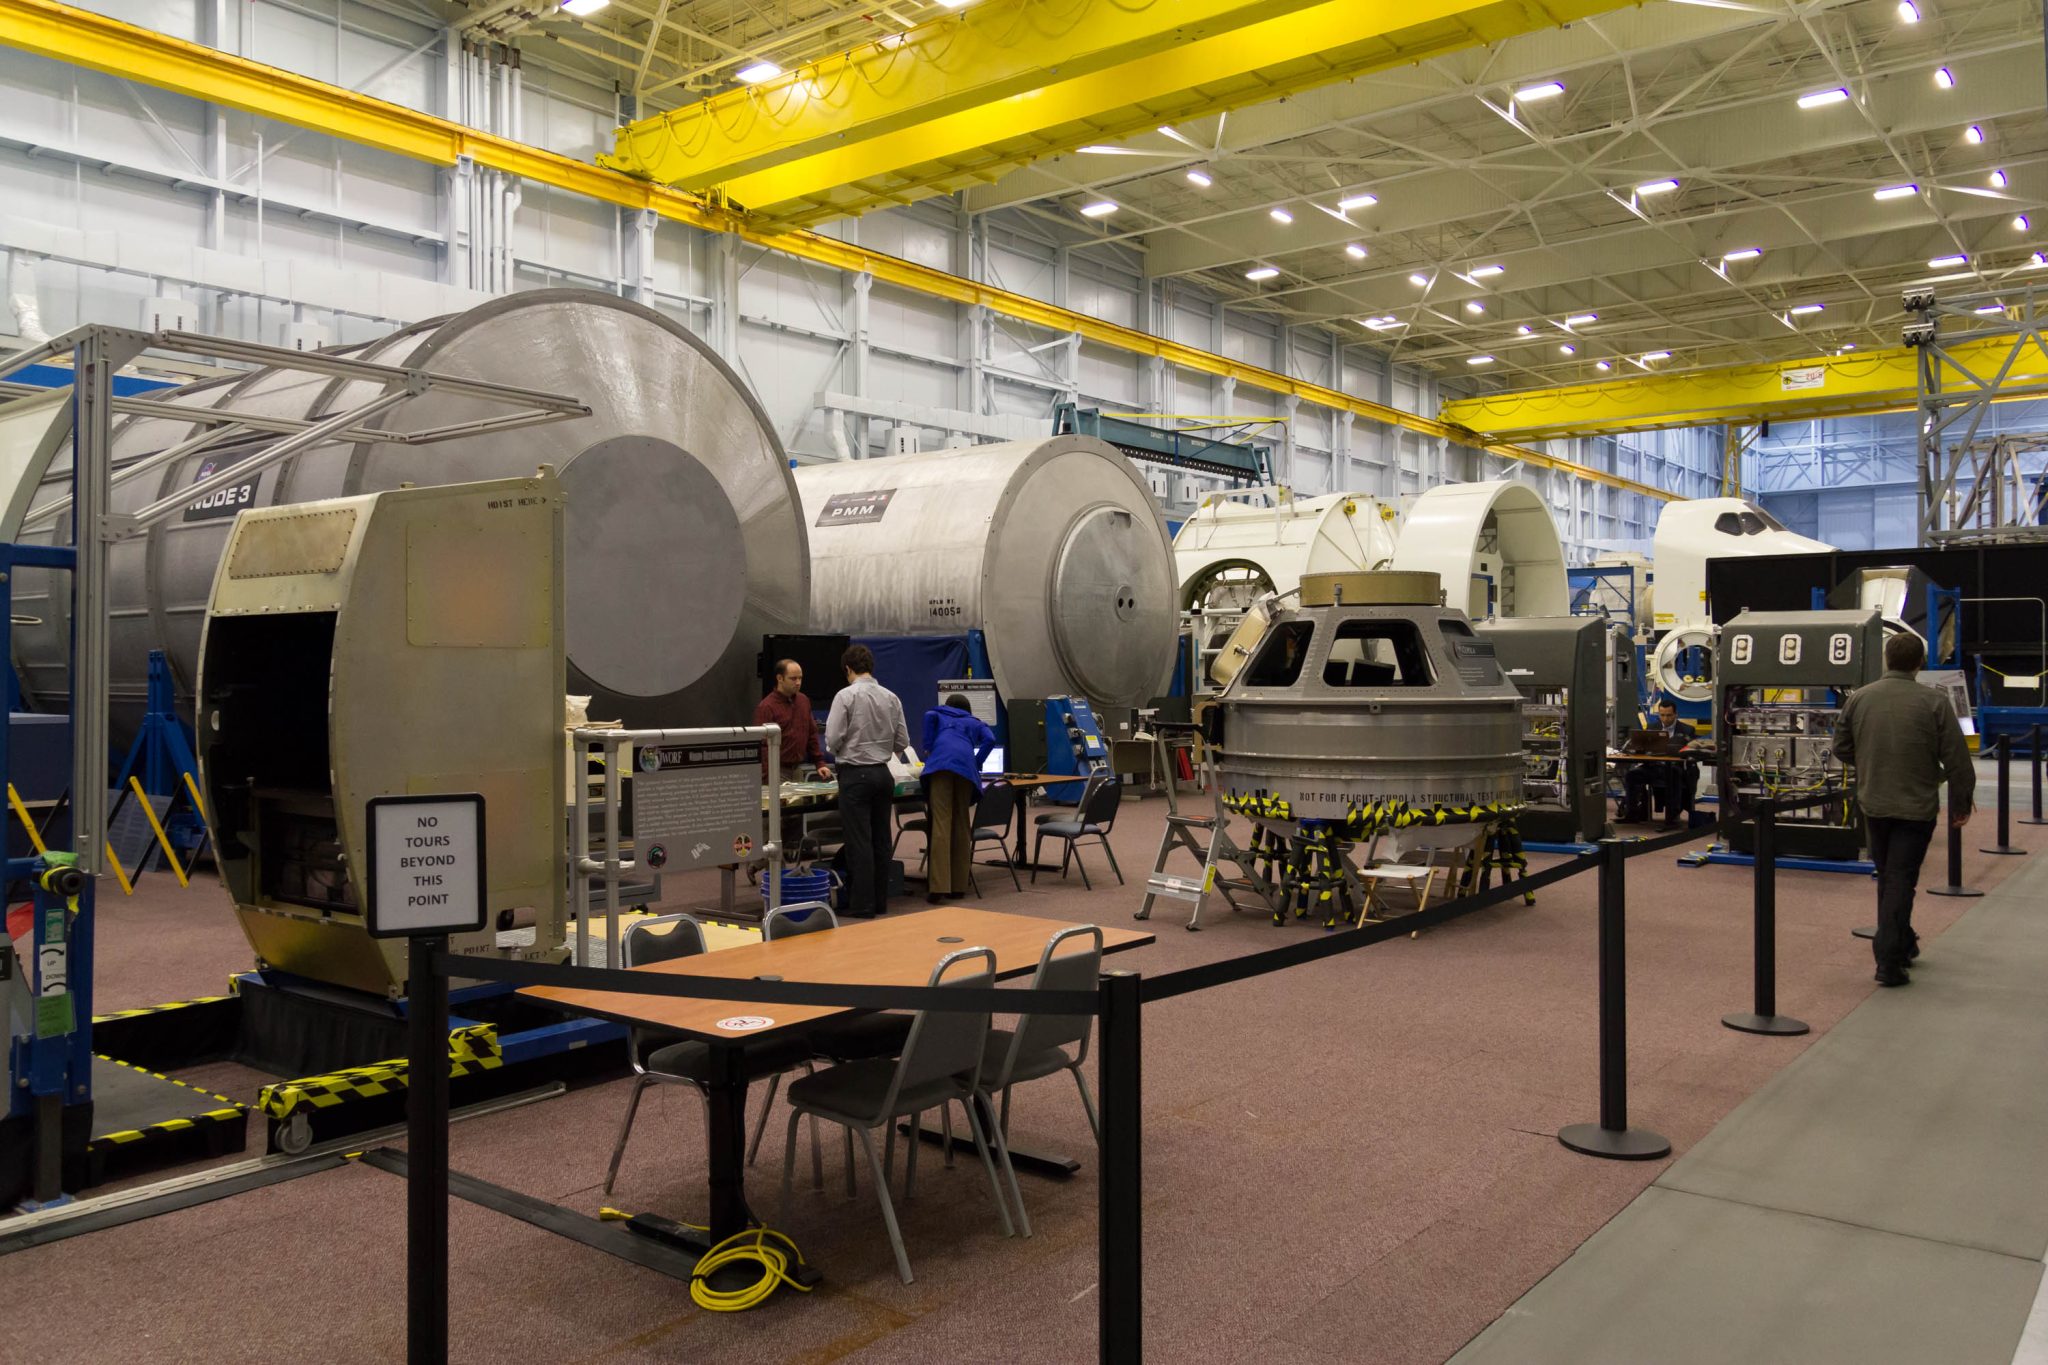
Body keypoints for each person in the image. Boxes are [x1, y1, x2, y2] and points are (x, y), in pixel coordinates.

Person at [1833, 631, 1974, 987]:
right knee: (1900, 878)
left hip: (1874, 803)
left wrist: (1867, 765)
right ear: (1919, 664)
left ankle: (1903, 941)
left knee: (1889, 876)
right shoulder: (1935, 702)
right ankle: (1889, 961)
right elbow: (1957, 759)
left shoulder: (1859, 699)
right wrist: (1960, 802)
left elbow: (1840, 747)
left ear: (1887, 659)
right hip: (1916, 806)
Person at [824, 644, 911, 918]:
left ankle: (862, 905)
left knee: (859, 841)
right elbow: (903, 741)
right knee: (881, 839)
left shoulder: (845, 696)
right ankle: (880, 901)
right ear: (871, 667)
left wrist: (843, 750)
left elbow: (832, 739)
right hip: (883, 775)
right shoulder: (891, 697)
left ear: (848, 669)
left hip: (855, 774)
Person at [919, 693, 997, 904]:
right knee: (962, 824)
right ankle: (959, 886)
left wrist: (928, 746)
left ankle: (938, 887)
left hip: (941, 767)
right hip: (966, 769)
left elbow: (928, 717)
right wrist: (978, 762)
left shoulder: (937, 713)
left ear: (948, 706)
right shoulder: (974, 722)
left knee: (941, 824)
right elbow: (990, 739)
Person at [1620, 696, 1697, 830]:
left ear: (1675, 714)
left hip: (1675, 769)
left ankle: (1672, 817)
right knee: (1632, 775)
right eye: (1662, 715)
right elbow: (1643, 749)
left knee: (1674, 774)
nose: (1665, 719)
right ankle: (1632, 813)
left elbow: (1692, 750)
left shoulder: (1687, 730)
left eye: (1669, 715)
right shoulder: (1651, 727)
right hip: (1654, 767)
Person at [754, 659, 831, 782]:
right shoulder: (766, 707)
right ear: (780, 678)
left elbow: (811, 734)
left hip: (798, 769)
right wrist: (768, 776)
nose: (798, 682)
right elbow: (762, 746)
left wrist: (819, 763)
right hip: (776, 771)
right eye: (793, 678)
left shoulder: (803, 701)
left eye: (800, 678)